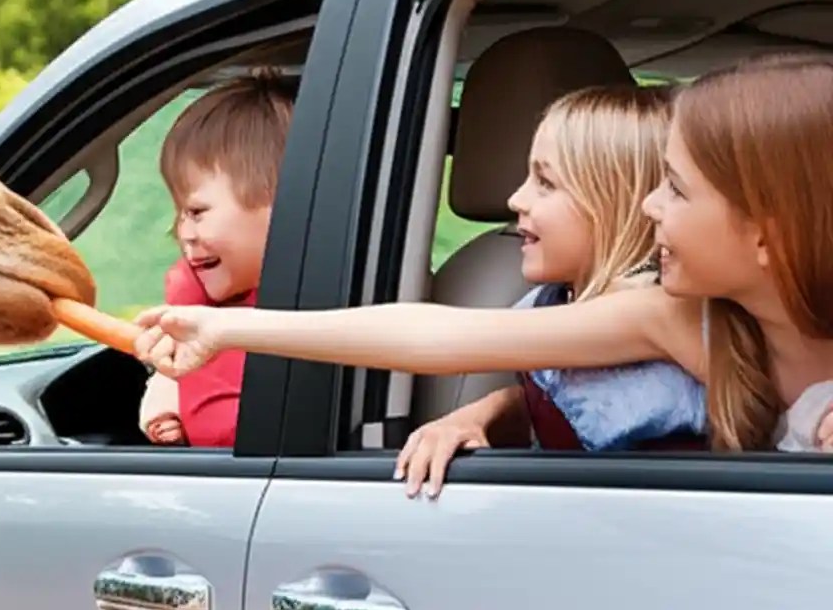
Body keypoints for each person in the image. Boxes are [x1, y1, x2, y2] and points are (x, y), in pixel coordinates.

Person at [132, 52, 833, 461]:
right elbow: (437, 335)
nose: (650, 208)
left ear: (766, 233)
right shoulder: (679, 319)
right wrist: (225, 330)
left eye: (675, 190)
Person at [395, 84, 706, 498]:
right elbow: (551, 397)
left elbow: (432, 338)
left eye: (545, 182)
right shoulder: (556, 298)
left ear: (615, 203)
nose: (515, 198)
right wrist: (477, 416)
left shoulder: (663, 318)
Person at [136, 68, 298, 447]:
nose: (183, 232)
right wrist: (167, 385)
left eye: (196, 212)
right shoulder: (193, 307)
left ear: (279, 200)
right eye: (178, 215)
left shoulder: (324, 309)